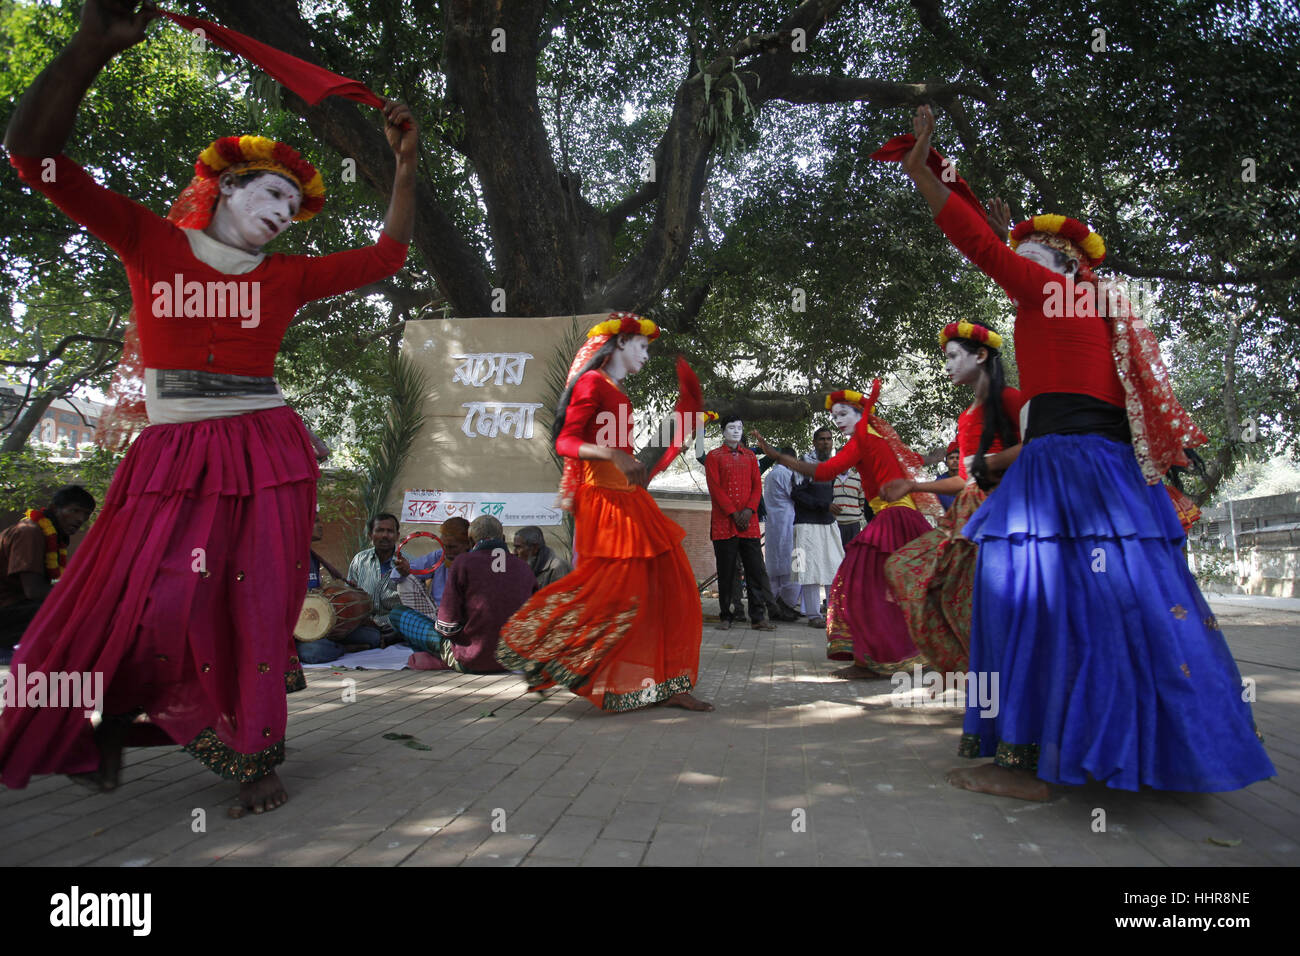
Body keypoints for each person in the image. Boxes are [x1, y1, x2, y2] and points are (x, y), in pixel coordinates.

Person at [0, 0, 418, 815]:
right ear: (223, 186)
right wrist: (90, 47)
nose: (278, 213)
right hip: (174, 452)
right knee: (154, 597)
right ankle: (118, 708)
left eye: (291, 208)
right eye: (267, 193)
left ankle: (256, 754)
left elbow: (387, 255)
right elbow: (31, 155)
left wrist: (405, 166)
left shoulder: (286, 279)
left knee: (258, 605)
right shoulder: (149, 242)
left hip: (268, 450)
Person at [895, 103, 1274, 798]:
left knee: (1034, 605)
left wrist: (925, 172)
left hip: (1064, 469)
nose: (1015, 264)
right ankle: (1109, 752)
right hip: (1098, 472)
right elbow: (1001, 244)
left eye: (1029, 253)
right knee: (1110, 610)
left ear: (1061, 264)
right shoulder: (1090, 306)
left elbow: (981, 246)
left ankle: (1045, 766)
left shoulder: (1049, 293)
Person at [497, 313, 712, 711]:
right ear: (619, 344)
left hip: (628, 499)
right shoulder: (594, 383)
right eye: (642, 347)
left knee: (673, 587)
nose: (646, 355)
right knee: (610, 593)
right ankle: (544, 652)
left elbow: (627, 455)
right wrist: (611, 453)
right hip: (604, 502)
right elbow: (565, 441)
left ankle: (669, 683)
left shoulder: (617, 390)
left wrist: (684, 414)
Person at [753, 385, 937, 677]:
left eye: (843, 414)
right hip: (897, 517)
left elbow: (825, 471)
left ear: (860, 414)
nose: (837, 420)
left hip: (895, 517)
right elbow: (912, 459)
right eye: (834, 415)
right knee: (877, 587)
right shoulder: (872, 436)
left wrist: (776, 455)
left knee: (855, 581)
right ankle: (883, 658)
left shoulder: (863, 437)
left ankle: (877, 660)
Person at [882, 320, 1022, 674]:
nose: (946, 365)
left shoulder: (1010, 398)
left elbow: (1040, 444)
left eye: (953, 356)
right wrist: (915, 486)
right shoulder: (965, 418)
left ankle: (1000, 684)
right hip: (967, 513)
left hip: (1005, 513)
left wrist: (993, 461)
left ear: (981, 354)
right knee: (903, 569)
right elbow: (963, 480)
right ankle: (968, 672)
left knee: (981, 602)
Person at [398, 516, 533, 673]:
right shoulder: (523, 567)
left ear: (470, 541)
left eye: (452, 547)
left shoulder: (463, 563)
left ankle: (435, 658)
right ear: (502, 538)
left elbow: (445, 628)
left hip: (472, 659)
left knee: (398, 614)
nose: (447, 552)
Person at [0, 486, 95, 663]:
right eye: (74, 511)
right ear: (54, 509)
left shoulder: (49, 536)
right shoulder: (30, 532)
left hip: (16, 608)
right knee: (80, 612)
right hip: (6, 611)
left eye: (86, 514)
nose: (80, 519)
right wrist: (84, 594)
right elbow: (34, 591)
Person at [705, 415, 778, 631]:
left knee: (755, 569)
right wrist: (733, 513)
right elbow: (715, 488)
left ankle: (758, 617)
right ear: (723, 431)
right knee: (726, 571)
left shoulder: (750, 457)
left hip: (750, 523)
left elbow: (757, 486)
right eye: (731, 427)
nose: (736, 431)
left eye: (739, 427)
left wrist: (748, 510)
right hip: (724, 523)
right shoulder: (713, 456)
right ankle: (726, 616)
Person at [790, 427, 843, 627]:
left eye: (829, 439)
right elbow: (796, 493)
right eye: (821, 439)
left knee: (835, 567)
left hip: (828, 523)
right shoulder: (803, 463)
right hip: (806, 524)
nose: (826, 443)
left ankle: (833, 614)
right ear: (814, 442)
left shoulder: (834, 464)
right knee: (808, 569)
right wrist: (823, 505)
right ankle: (813, 615)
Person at [344, 513, 404, 648]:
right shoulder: (359, 560)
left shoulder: (407, 563)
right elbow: (348, 597)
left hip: (395, 626)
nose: (385, 535)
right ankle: (376, 641)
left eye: (389, 531)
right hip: (365, 625)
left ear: (397, 536)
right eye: (379, 530)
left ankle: (384, 640)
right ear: (370, 535)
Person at [761, 446, 803, 618]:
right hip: (787, 522)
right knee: (791, 567)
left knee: (774, 568)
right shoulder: (786, 474)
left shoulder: (770, 475)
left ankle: (773, 604)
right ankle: (786, 605)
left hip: (773, 524)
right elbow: (798, 496)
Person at [512, 525, 572, 590]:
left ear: (535, 548)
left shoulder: (558, 567)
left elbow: (558, 598)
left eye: (518, 547)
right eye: (515, 547)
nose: (514, 553)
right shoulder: (525, 566)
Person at [831, 461, 868, 547]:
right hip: (836, 523)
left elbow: (862, 500)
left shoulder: (858, 477)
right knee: (837, 554)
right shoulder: (831, 478)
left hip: (854, 523)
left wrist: (858, 515)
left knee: (853, 553)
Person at [934, 441, 961, 512]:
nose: (955, 460)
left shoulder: (968, 478)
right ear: (946, 463)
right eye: (951, 458)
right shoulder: (940, 481)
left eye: (958, 458)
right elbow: (948, 504)